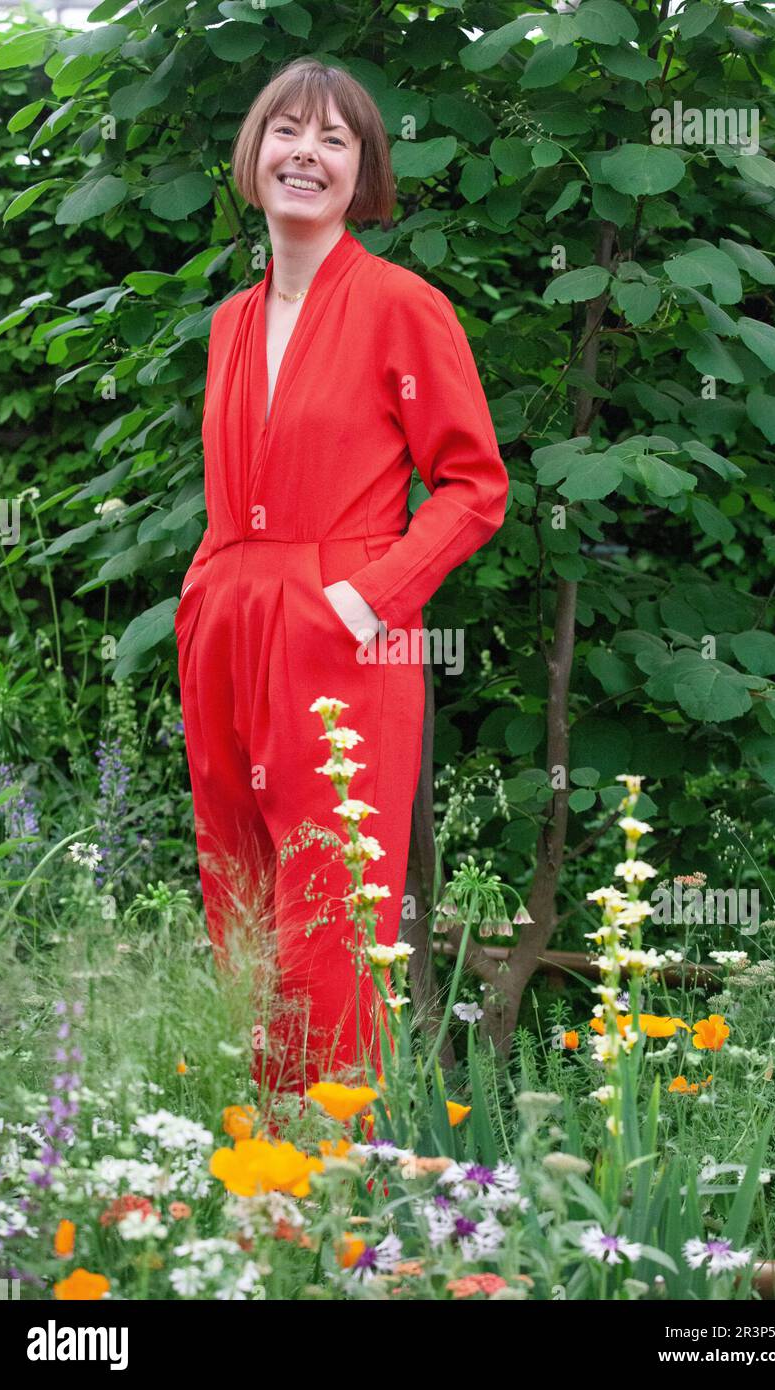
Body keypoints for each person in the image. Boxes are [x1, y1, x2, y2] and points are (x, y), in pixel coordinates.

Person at [174, 56, 509, 1095]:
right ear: (252, 153)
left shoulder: (400, 305)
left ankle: (329, 1184)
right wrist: (202, 600)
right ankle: (247, 1168)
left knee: (328, 904)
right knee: (235, 893)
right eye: (286, 130)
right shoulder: (229, 322)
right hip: (226, 620)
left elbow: (471, 486)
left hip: (342, 626)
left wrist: (363, 599)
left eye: (333, 139)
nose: (304, 154)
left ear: (361, 173)